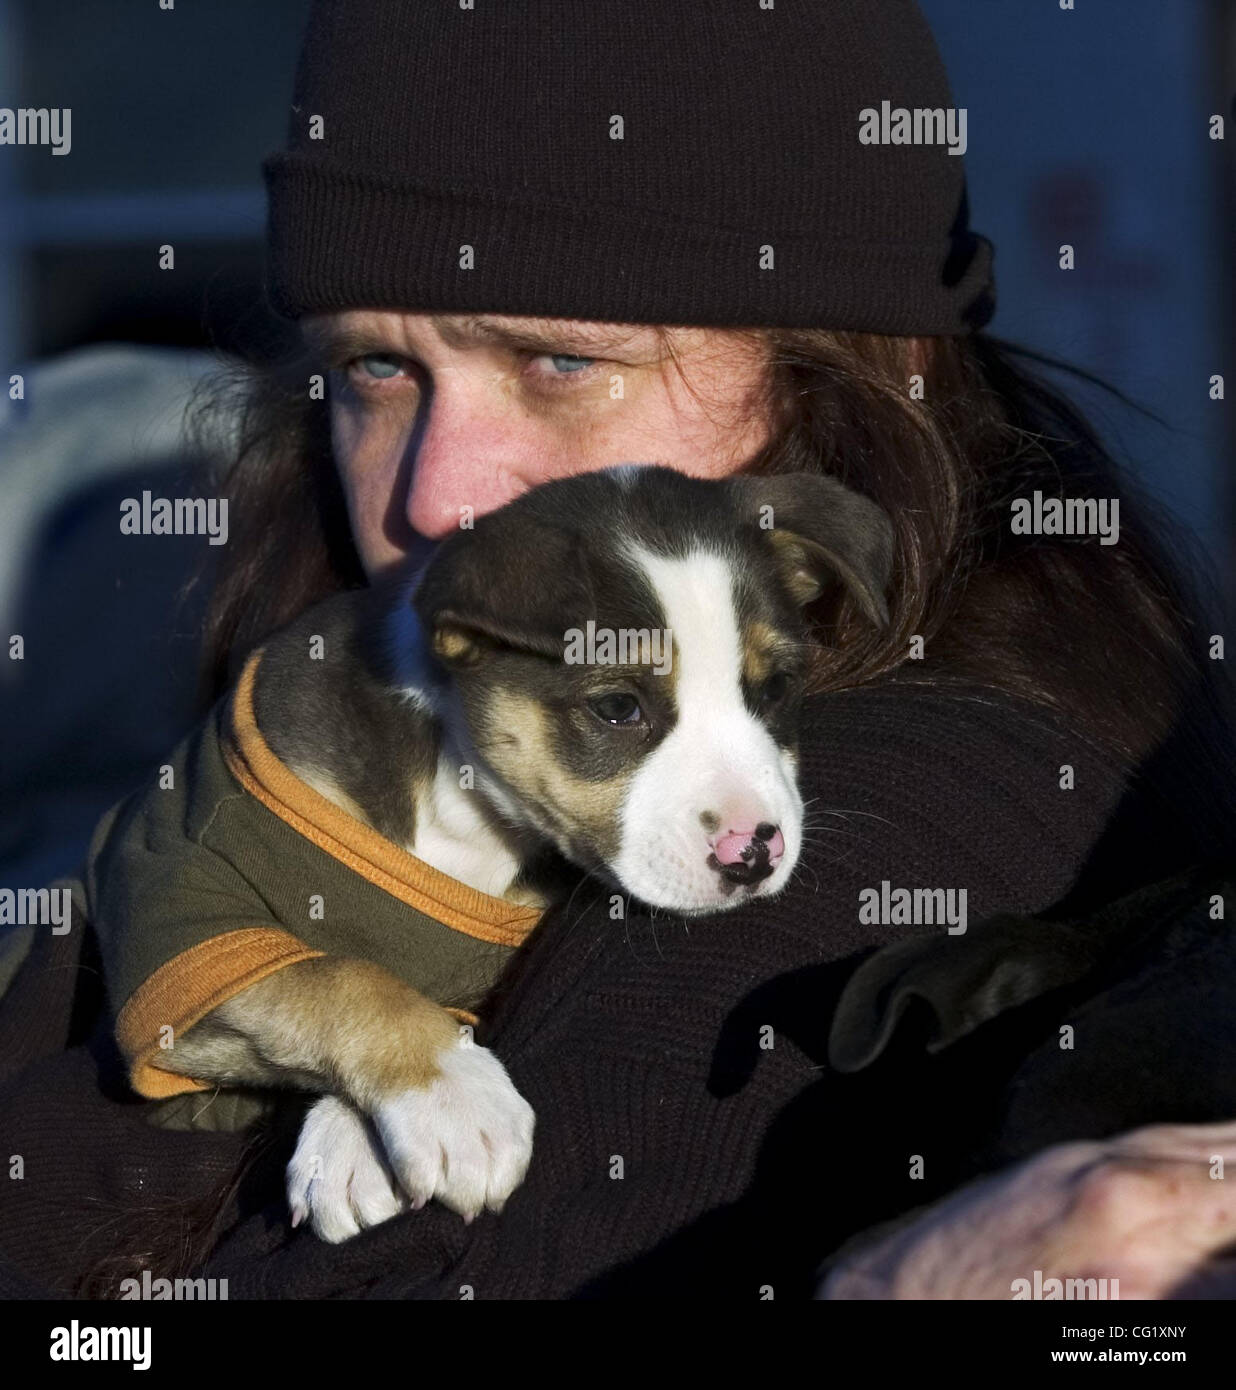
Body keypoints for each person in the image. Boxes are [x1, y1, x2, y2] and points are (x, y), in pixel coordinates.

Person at [1, 0, 1235, 1300]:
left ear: (840, 370)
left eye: (560, 359)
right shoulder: (326, 714)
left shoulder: (874, 824)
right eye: (378, 367)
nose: (438, 493)